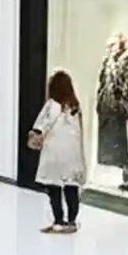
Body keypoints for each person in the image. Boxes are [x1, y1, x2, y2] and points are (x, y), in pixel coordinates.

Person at [31, 70, 87, 233]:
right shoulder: (75, 108)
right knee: (71, 187)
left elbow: (42, 125)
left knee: (54, 188)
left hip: (54, 153)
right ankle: (71, 221)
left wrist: (34, 136)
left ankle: (58, 220)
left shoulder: (51, 105)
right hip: (72, 155)